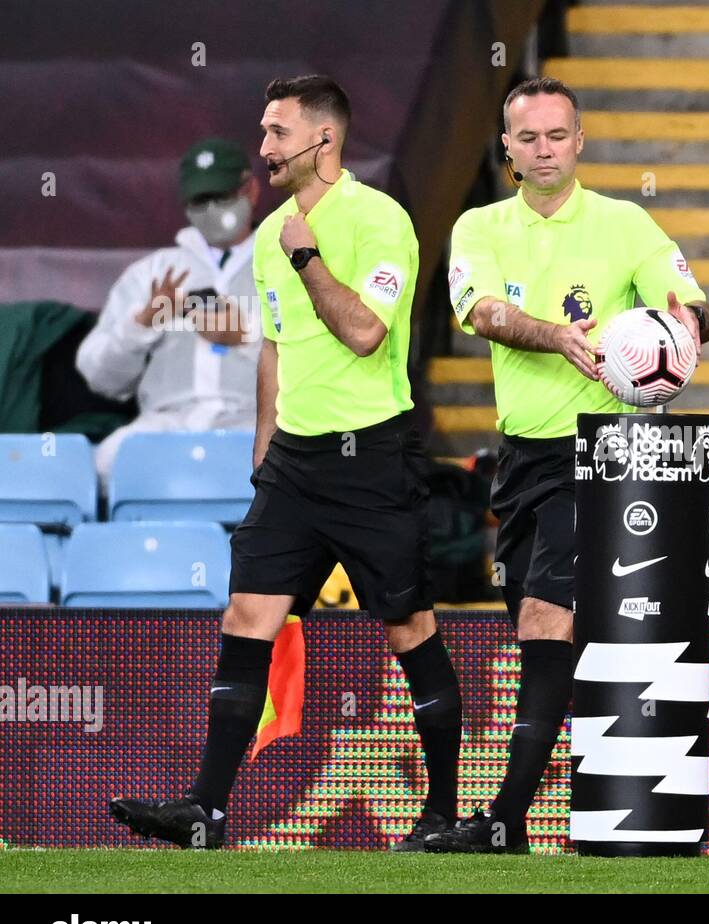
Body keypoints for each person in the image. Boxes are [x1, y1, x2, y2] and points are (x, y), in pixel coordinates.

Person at [109, 75, 461, 852]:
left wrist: (311, 260)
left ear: (321, 140)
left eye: (276, 132)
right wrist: (264, 456)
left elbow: (365, 332)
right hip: (295, 466)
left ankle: (440, 814)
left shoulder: (378, 222)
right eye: (264, 131)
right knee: (248, 618)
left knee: (408, 628)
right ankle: (207, 811)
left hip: (373, 457)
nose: (263, 149)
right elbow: (273, 349)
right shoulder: (271, 234)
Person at [430, 76, 709, 853]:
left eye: (557, 135)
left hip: (601, 456)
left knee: (545, 622)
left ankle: (504, 821)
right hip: (519, 458)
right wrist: (558, 334)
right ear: (508, 148)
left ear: (580, 140)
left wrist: (679, 323)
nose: (544, 149)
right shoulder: (481, 226)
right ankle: (531, 817)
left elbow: (698, 308)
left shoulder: (626, 224)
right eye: (528, 138)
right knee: (540, 633)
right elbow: (481, 311)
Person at [76, 138, 263, 482]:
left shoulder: (285, 265)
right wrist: (140, 325)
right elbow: (100, 378)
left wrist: (247, 336)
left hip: (257, 425)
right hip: (165, 425)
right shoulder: (153, 273)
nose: (211, 210)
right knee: (99, 465)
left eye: (221, 197)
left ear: (250, 190)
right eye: (199, 201)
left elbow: (324, 364)